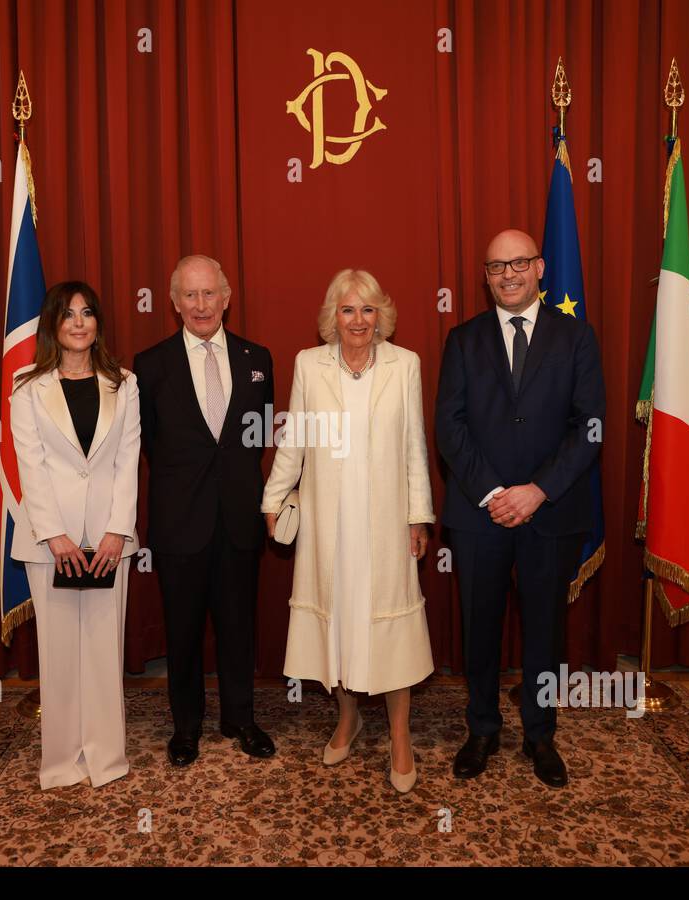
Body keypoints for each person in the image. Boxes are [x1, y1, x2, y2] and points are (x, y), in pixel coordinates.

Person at [435, 229, 605, 788]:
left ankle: (540, 734)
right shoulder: (462, 340)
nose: (507, 274)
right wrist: (493, 493)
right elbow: (449, 427)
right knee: (479, 628)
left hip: (550, 512)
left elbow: (589, 426)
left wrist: (537, 491)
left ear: (539, 268)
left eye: (518, 263)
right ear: (485, 277)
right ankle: (482, 729)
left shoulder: (576, 336)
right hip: (478, 513)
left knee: (545, 631)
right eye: (496, 266)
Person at [262, 269, 434, 794]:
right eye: (347, 309)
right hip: (328, 524)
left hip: (386, 523)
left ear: (381, 315)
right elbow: (294, 440)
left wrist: (419, 515)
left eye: (367, 309)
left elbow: (415, 446)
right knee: (337, 624)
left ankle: (400, 735)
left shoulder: (405, 364)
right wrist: (272, 499)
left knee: (390, 627)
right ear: (332, 317)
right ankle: (348, 718)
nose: (358, 320)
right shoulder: (308, 365)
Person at [133, 254, 276, 767]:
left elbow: (257, 437)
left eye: (209, 293)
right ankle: (186, 727)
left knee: (239, 627)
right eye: (190, 295)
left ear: (226, 297)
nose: (200, 304)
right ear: (174, 303)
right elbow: (147, 444)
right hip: (179, 523)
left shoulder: (258, 358)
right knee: (184, 631)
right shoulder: (149, 366)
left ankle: (240, 718)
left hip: (238, 519)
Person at [9, 280, 141, 790]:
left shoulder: (124, 383)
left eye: (87, 313)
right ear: (53, 324)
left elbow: (128, 460)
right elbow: (31, 465)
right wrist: (55, 535)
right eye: (68, 314)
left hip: (109, 541)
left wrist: (117, 530)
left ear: (97, 323)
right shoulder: (27, 387)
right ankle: (62, 761)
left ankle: (106, 757)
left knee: (105, 652)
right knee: (59, 654)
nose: (79, 323)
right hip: (50, 543)